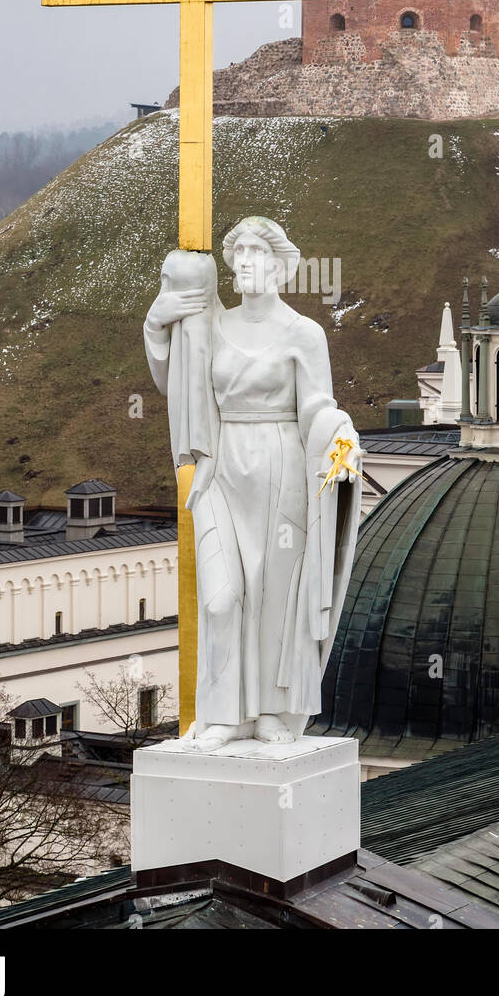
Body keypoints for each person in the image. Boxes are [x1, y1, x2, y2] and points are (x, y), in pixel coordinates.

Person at [145, 216, 362, 750]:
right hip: (222, 466)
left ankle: (268, 709)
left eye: (255, 251)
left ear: (279, 263)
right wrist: (157, 324)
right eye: (237, 252)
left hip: (281, 467)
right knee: (222, 598)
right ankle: (223, 711)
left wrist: (341, 440)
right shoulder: (212, 325)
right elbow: (179, 385)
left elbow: (317, 408)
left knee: (272, 595)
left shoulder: (304, 334)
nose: (244, 261)